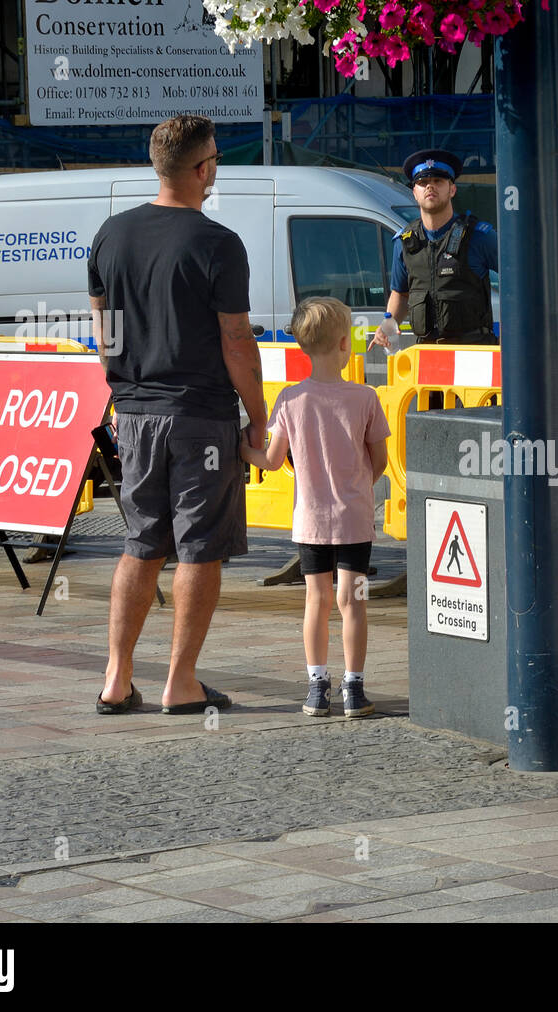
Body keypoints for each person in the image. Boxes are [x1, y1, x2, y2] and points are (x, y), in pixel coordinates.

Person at [89, 114, 267, 714]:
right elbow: (237, 341)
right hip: (199, 414)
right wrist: (258, 415)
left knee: (141, 542)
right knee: (199, 547)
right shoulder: (218, 243)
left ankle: (116, 679)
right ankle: (181, 682)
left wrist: (121, 393)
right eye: (215, 157)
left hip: (136, 413)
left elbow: (104, 329)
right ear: (203, 168)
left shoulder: (111, 235)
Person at [242, 297, 390, 718]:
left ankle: (316, 686)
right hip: (355, 518)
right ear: (345, 343)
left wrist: (240, 450)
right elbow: (378, 460)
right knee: (353, 600)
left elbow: (271, 461)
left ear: (303, 347)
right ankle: (354, 689)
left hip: (309, 520)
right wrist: (360, 482)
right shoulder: (365, 398)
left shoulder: (291, 399)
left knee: (316, 600)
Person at [369, 148, 499, 350]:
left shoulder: (479, 237)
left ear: (452, 190)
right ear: (414, 192)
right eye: (422, 183)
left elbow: (516, 281)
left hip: (474, 352)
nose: (430, 186)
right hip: (427, 353)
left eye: (438, 181)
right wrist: (389, 323)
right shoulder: (405, 241)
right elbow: (401, 293)